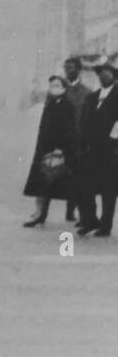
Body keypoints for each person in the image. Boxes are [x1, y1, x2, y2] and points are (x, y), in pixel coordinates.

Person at [23, 75, 79, 227]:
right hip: (45, 149)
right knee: (44, 183)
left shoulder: (66, 105)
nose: (53, 88)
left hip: (56, 150)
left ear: (64, 88)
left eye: (56, 85)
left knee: (53, 182)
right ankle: (40, 214)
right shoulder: (51, 103)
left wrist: (59, 148)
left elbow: (68, 130)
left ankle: (46, 215)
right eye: (51, 85)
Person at [76, 60, 118, 237]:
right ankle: (90, 220)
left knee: (109, 189)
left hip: (111, 150)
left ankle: (105, 225)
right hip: (91, 149)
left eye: (107, 73)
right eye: (100, 73)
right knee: (85, 185)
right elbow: (84, 121)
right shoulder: (92, 97)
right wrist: (82, 143)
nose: (103, 76)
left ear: (114, 76)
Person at [62, 57, 90, 222]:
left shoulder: (87, 92)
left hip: (80, 140)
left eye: (71, 68)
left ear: (78, 70)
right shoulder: (60, 90)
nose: (67, 71)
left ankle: (75, 210)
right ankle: (68, 209)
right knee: (63, 174)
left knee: (79, 175)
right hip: (62, 139)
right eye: (65, 68)